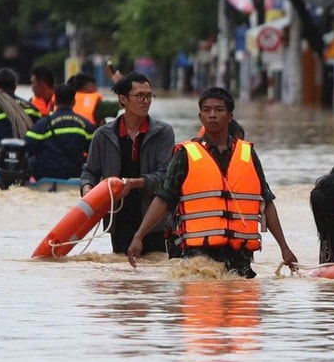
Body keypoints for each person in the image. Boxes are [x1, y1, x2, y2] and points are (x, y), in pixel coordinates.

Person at [127, 86, 298, 277]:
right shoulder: (186, 154)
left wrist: (284, 247)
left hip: (240, 258)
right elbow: (163, 199)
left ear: (230, 116)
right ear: (200, 117)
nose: (212, 115)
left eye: (219, 110)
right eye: (207, 110)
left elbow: (266, 202)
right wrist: (139, 236)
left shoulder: (247, 154)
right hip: (199, 258)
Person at [81, 72, 176, 255]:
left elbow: (166, 176)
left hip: (155, 221)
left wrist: (134, 183)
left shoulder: (163, 132)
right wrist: (87, 190)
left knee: (154, 273)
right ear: (123, 99)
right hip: (119, 221)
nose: (146, 101)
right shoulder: (103, 135)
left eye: (149, 96)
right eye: (140, 96)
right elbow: (90, 172)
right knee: (123, 276)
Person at [25, 83, 94, 181]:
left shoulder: (42, 124)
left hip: (46, 173)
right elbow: (95, 153)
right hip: (75, 173)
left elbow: (27, 147)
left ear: (55, 101)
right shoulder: (85, 125)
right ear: (74, 102)